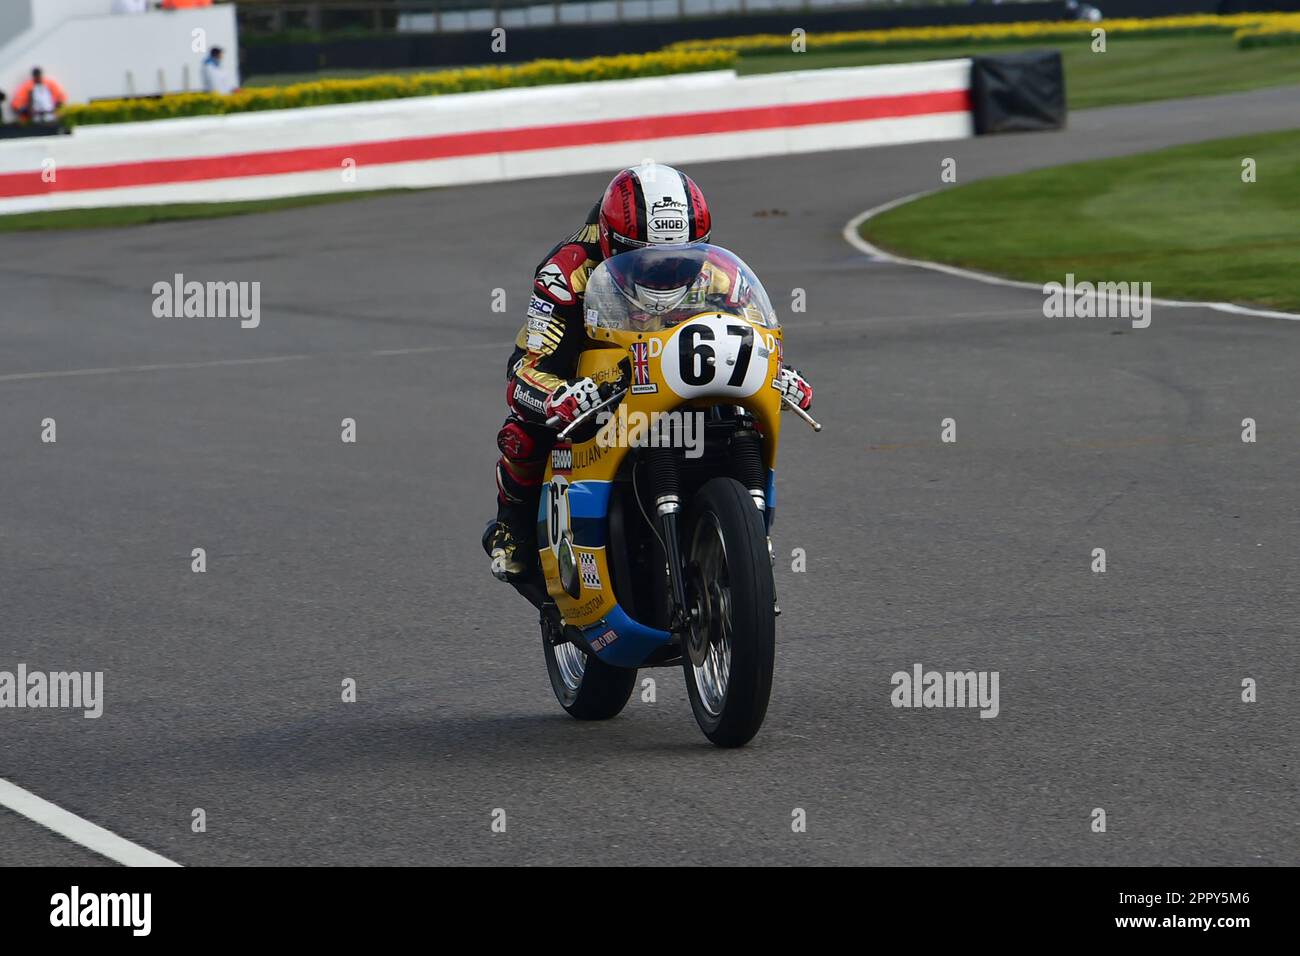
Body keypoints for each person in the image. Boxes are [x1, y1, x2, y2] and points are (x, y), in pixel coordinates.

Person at [483, 164, 814, 581]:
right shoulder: (566, 272)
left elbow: (748, 333)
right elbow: (530, 367)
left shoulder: (717, 274)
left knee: (742, 419)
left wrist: (778, 373)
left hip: (673, 371)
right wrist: (557, 396)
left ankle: (739, 540)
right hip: (592, 369)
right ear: (609, 239)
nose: (662, 273)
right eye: (643, 258)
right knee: (526, 431)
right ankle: (513, 529)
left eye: (680, 261)